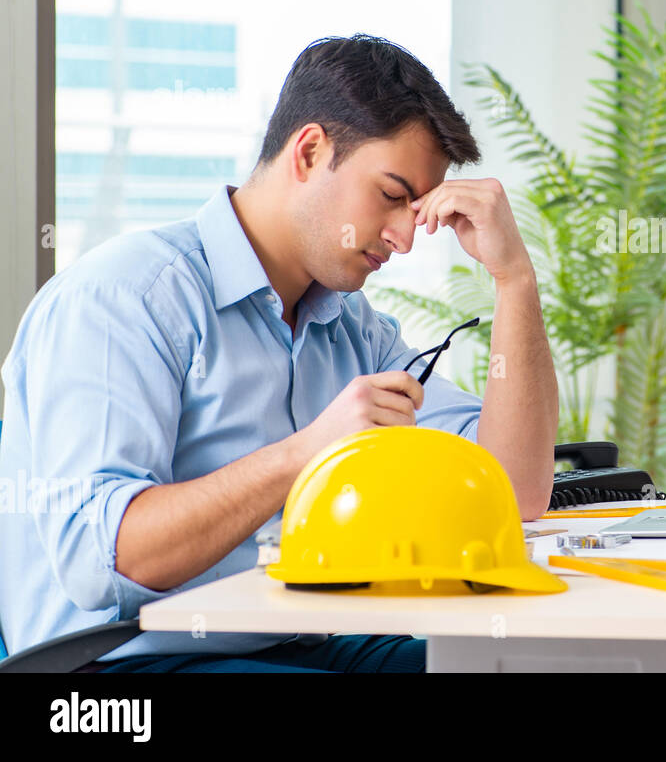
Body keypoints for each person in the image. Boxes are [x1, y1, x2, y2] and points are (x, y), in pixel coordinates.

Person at [0, 34, 559, 672]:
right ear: (311, 150)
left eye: (418, 207)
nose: (406, 235)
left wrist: (515, 280)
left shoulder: (352, 330)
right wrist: (307, 452)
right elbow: (105, 561)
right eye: (391, 194)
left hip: (291, 641)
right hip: (118, 665)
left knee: (514, 666)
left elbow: (515, 492)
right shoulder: (125, 297)